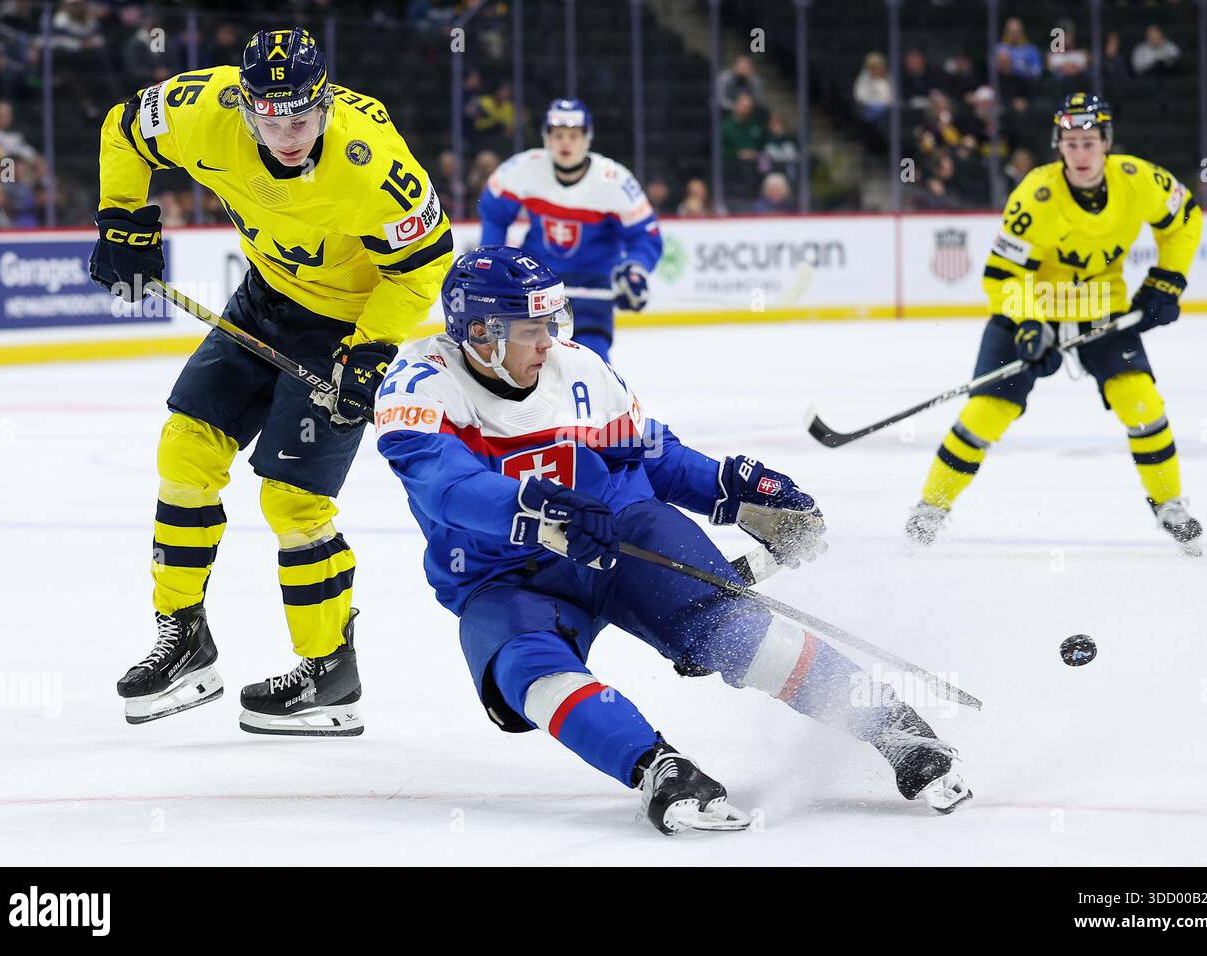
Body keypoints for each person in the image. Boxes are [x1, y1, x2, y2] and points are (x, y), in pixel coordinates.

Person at [373, 246, 972, 834]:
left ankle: (898, 730)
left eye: (550, 324)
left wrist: (729, 487)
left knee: (734, 633)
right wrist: (538, 507)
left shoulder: (579, 370)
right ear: (481, 332)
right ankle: (657, 768)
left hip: (617, 539)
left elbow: (650, 454)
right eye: (530, 329)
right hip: (503, 576)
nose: (547, 342)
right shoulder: (421, 386)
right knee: (528, 672)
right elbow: (443, 487)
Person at [92, 27, 453, 734]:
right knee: (184, 452)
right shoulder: (205, 108)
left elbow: (424, 265)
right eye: (269, 116)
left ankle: (329, 674)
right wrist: (124, 222)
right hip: (264, 300)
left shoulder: (371, 163)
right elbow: (123, 128)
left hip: (344, 325)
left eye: (301, 117)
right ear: (245, 104)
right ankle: (185, 638)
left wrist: (371, 351)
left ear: (325, 104)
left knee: (293, 500)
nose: (285, 134)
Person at [906, 93, 1204, 554]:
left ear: (1106, 142)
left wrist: (1168, 279)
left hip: (1102, 309)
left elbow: (1184, 219)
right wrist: (1027, 322)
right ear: (1058, 146)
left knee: (1141, 403)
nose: (1080, 154)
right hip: (1033, 309)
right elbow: (1003, 274)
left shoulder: (1139, 179)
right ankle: (931, 508)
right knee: (987, 413)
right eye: (1070, 143)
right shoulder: (1036, 195)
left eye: (1089, 142)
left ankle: (1169, 505)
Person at [478, 99, 662, 361]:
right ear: (547, 138)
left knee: (591, 361)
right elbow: (493, 211)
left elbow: (645, 235)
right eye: (558, 135)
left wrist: (634, 269)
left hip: (593, 285)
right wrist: (492, 261)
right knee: (528, 359)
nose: (566, 143)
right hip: (538, 283)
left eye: (574, 136)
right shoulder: (524, 169)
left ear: (587, 139)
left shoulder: (614, 181)